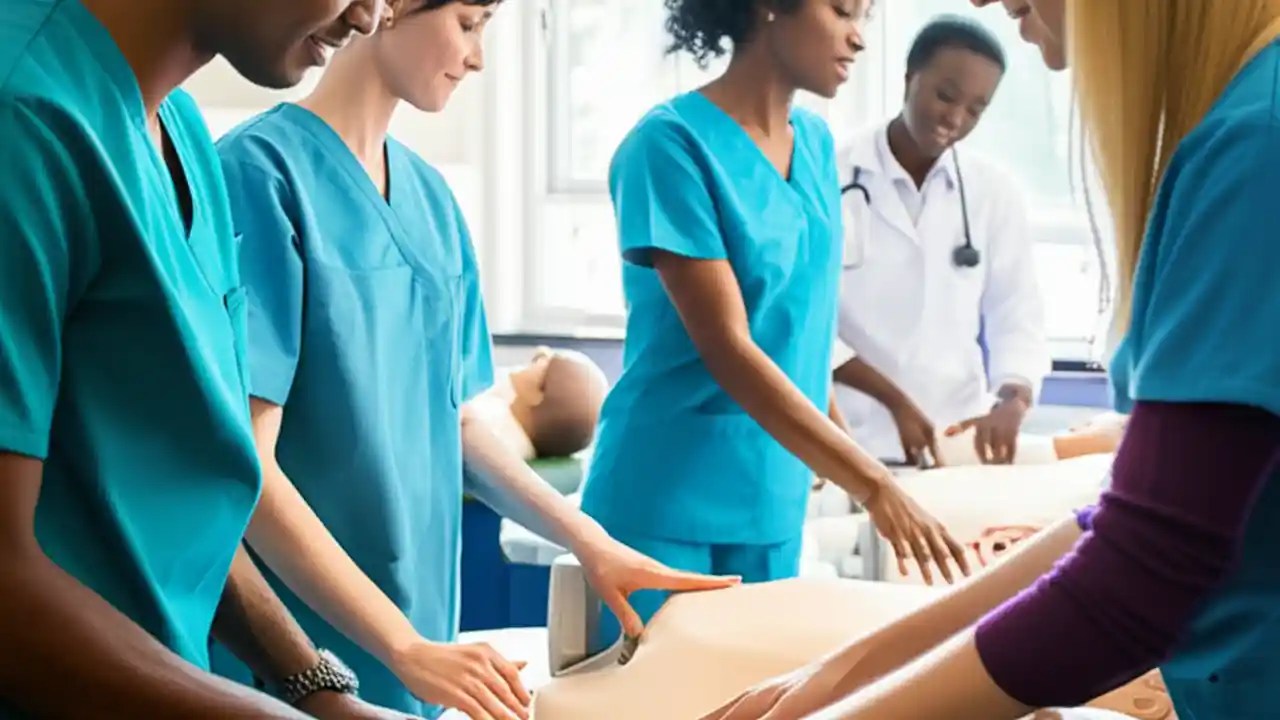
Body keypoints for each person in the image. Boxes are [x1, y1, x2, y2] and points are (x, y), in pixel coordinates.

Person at [702, 0, 1280, 717]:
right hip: (861, 441)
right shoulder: (1245, 127)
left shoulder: (1258, 144)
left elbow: (1145, 564)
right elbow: (1138, 519)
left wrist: (845, 705)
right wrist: (840, 675)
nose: (984, 2)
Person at [213, 1, 738, 717]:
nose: (479, 57)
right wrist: (399, 643)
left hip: (424, 653)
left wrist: (589, 541)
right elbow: (250, 468)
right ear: (389, 8)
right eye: (468, 22)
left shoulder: (433, 203)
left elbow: (456, 428)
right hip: (302, 661)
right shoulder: (260, 175)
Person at [0, 0, 429, 718]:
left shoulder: (184, 136)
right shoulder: (23, 118)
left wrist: (320, 694)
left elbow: (177, 492)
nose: (369, 14)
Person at [577, 0, 973, 653]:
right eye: (844, 10)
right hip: (662, 497)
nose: (858, 38)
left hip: (773, 500)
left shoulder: (814, 146)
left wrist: (840, 454)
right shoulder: (670, 145)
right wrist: (872, 483)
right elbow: (730, 348)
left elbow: (801, 328)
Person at [833, 15, 1050, 468]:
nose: (956, 118)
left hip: (954, 443)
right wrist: (895, 402)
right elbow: (805, 319)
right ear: (909, 78)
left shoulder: (993, 192)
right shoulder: (830, 173)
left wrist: (1014, 398)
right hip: (848, 439)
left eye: (976, 109)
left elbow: (1017, 314)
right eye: (946, 96)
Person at [466, 347, 610, 461]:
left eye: (540, 362)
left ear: (534, 395)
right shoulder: (515, 448)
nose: (533, 359)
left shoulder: (488, 419)